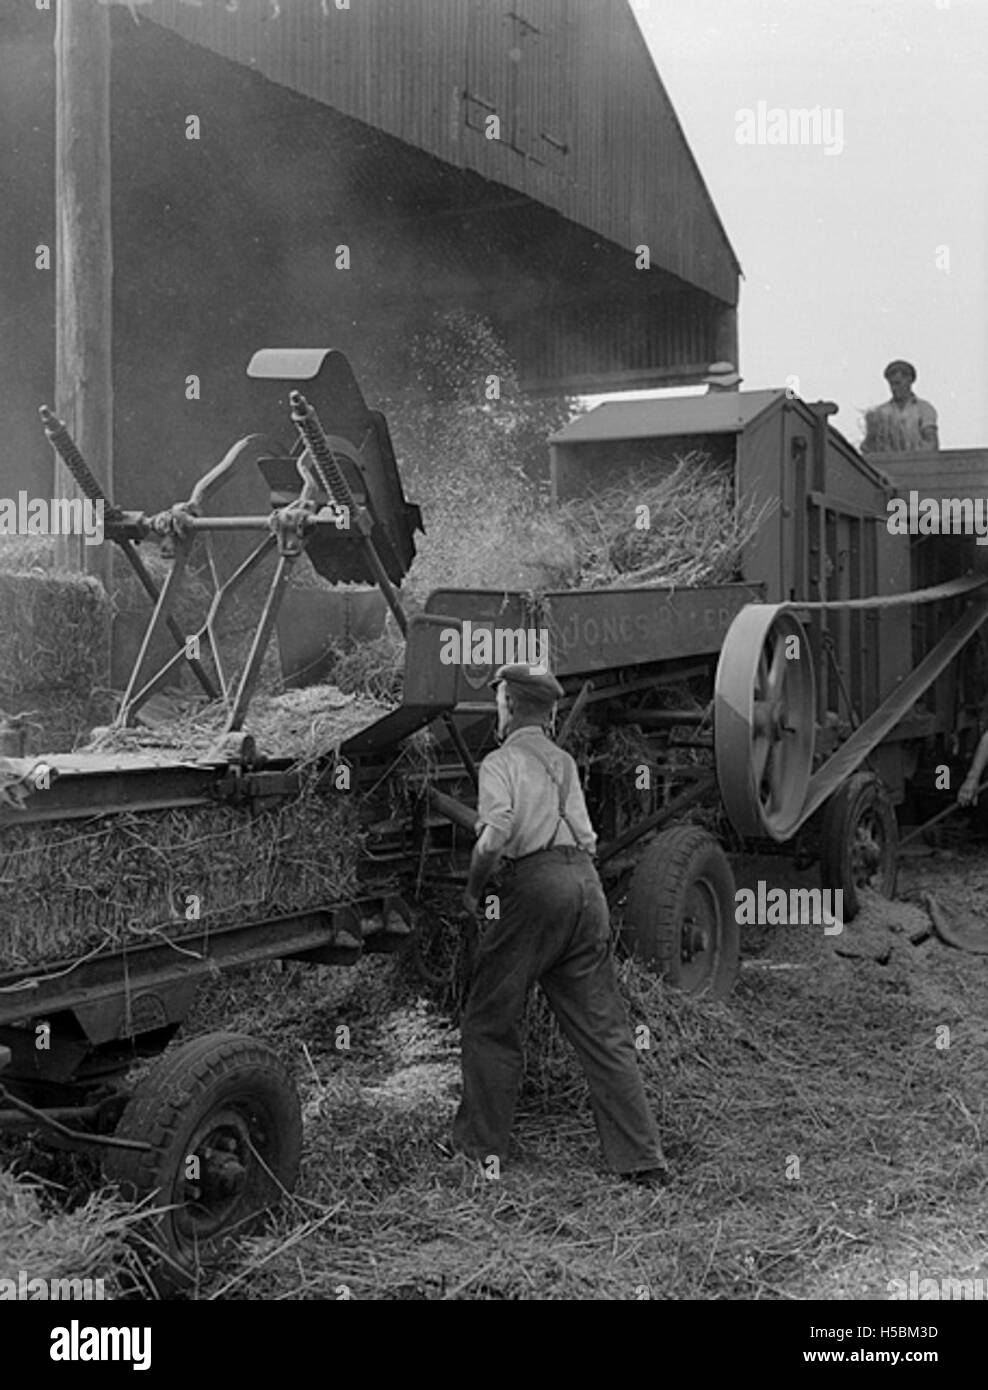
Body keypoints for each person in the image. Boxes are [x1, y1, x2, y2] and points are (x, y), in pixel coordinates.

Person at [452, 663, 670, 1185]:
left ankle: (482, 1153)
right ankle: (642, 1160)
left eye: (499, 699)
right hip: (586, 888)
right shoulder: (564, 762)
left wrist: (474, 888)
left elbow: (495, 835)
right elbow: (586, 838)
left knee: (490, 1017)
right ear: (548, 713)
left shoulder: (500, 762)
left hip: (537, 889)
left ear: (507, 705)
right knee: (603, 1029)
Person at [862, 360, 939, 454]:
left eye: (898, 383)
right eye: (891, 384)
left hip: (917, 464)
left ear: (909, 381)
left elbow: (932, 444)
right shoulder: (880, 413)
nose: (894, 388)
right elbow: (868, 449)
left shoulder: (924, 409)